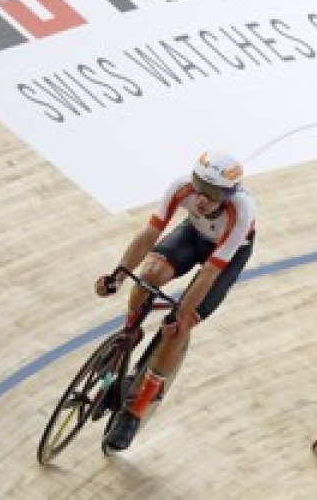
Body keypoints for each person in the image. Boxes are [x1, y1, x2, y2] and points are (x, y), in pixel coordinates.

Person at [95, 150, 256, 451]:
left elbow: (210, 272)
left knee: (179, 329)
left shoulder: (241, 211)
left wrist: (180, 315)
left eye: (212, 194)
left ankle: (135, 412)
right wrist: (118, 275)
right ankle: (131, 332)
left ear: (227, 195)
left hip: (227, 256)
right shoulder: (181, 187)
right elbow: (149, 234)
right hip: (194, 235)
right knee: (149, 274)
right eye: (199, 187)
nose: (201, 198)